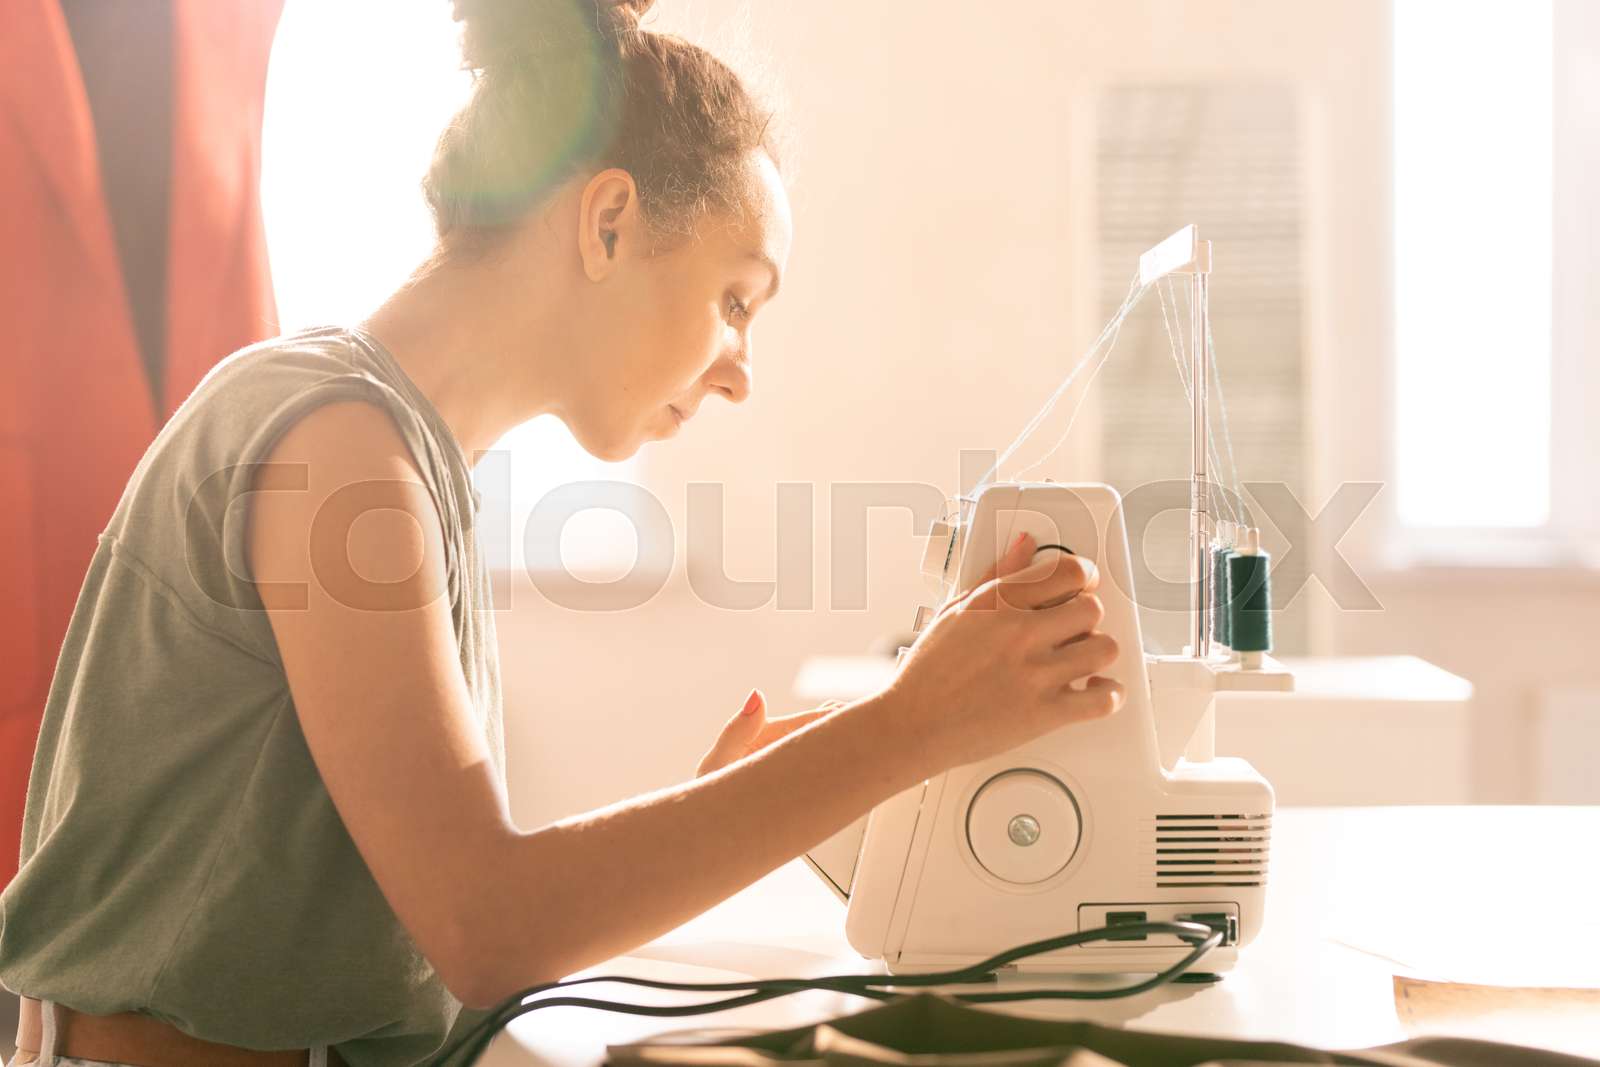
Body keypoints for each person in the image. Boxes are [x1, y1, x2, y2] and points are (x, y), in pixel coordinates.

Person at [0, 1, 1123, 1065]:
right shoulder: (337, 442)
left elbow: (455, 903)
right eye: (737, 299)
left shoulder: (400, 454)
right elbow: (485, 921)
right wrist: (911, 724)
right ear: (608, 221)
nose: (740, 371)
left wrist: (723, 801)